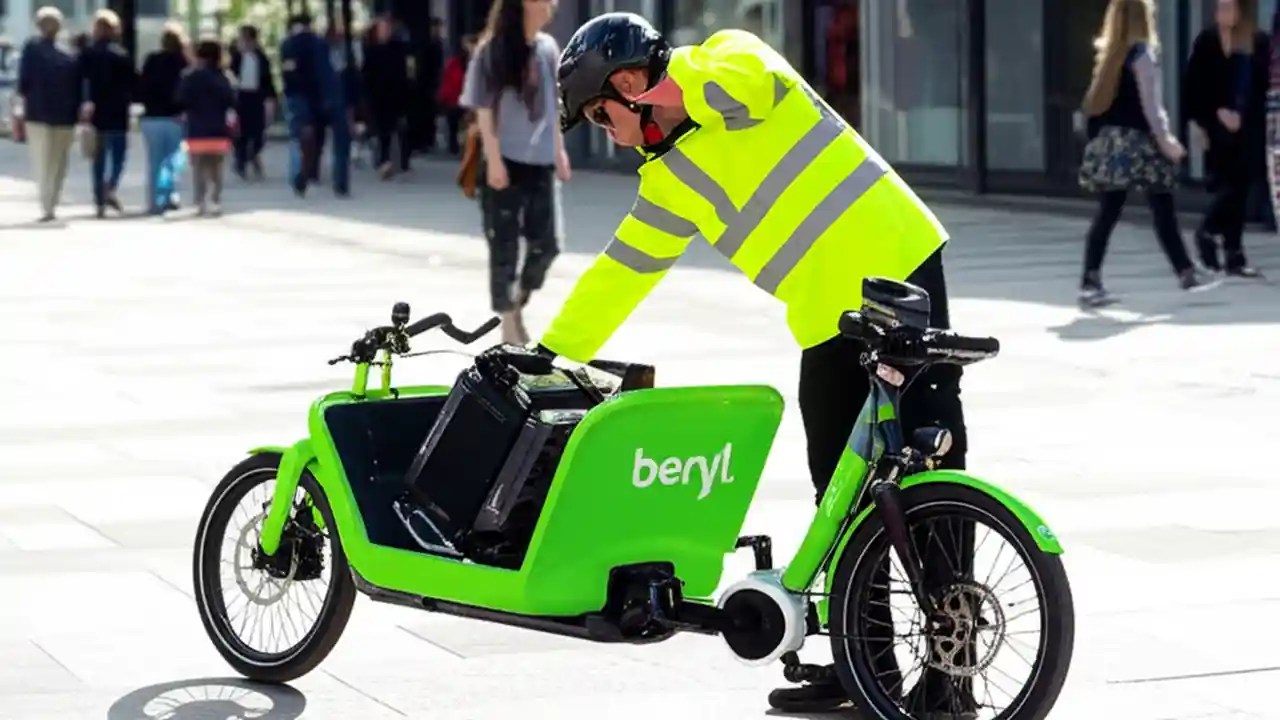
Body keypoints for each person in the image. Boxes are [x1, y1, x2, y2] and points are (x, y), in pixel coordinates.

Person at [543, 13, 968, 714]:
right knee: (837, 488)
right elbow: (620, 273)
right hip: (827, 319)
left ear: (627, 84)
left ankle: (954, 677)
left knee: (931, 468)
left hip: (900, 271)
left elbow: (751, 86)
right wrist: (550, 353)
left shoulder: (727, 60)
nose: (605, 130)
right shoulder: (669, 178)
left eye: (599, 112)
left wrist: (669, 86)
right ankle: (868, 664)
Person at [1077, 0, 1212, 307]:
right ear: (1144, 17)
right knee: (1162, 207)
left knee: (1108, 213)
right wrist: (1168, 143)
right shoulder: (1143, 55)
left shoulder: (1110, 56)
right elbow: (1152, 109)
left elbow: (1094, 108)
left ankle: (1090, 280)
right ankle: (1186, 273)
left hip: (1112, 145)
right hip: (1140, 144)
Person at [460, 0, 572, 345]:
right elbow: (483, 109)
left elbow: (554, 108)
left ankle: (517, 301)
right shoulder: (491, 51)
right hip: (504, 161)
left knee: (548, 245)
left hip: (540, 161)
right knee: (504, 247)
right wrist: (493, 160)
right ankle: (508, 323)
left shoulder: (547, 48)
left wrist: (559, 151)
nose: (551, 5)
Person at [1184, 0, 1267, 277]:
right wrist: (1209, 117)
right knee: (1229, 186)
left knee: (1240, 189)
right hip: (1216, 126)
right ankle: (1209, 233)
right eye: (1220, 8)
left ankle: (1232, 253)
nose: (1223, 14)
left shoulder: (1257, 41)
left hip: (1248, 127)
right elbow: (1194, 85)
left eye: (1229, 8)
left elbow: (1262, 84)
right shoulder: (1207, 41)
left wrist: (1242, 113)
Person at [16, 6, 82, 223]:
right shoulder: (70, 54)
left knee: (42, 160)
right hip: (64, 115)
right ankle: (52, 201)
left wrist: (20, 105)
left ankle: (47, 204)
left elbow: (23, 83)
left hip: (38, 114)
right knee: (59, 162)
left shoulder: (31, 49)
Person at [78, 9, 136, 218]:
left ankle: (99, 200)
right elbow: (131, 84)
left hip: (96, 112)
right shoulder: (121, 54)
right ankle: (110, 187)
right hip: (118, 111)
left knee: (98, 158)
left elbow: (80, 81)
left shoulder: (87, 53)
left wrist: (83, 104)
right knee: (119, 155)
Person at [176, 39, 236, 216]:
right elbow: (231, 101)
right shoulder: (225, 78)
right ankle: (215, 199)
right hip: (219, 129)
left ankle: (201, 201)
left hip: (196, 129)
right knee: (216, 168)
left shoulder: (190, 77)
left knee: (199, 167)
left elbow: (180, 100)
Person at [138, 23, 190, 214]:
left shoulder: (151, 60)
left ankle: (154, 201)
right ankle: (169, 195)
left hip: (151, 118)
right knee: (173, 161)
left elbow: (141, 87)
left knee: (154, 161)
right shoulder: (183, 63)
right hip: (174, 118)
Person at [279, 13, 333, 196]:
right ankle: (312, 171)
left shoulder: (288, 45)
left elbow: (288, 73)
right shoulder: (320, 44)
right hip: (318, 96)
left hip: (296, 95)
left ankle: (297, 173)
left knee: (297, 136)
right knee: (317, 136)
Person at [362, 14, 413, 178]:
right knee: (383, 130)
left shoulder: (399, 48)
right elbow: (366, 74)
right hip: (379, 96)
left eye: (387, 29)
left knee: (401, 128)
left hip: (398, 93)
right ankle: (384, 160)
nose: (385, 32)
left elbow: (406, 71)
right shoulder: (370, 49)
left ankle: (404, 161)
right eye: (381, 29)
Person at [229, 24, 279, 181]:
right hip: (241, 96)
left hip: (257, 97)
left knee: (258, 131)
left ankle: (253, 154)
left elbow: (268, 80)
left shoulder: (261, 58)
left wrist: (271, 98)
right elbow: (230, 77)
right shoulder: (236, 58)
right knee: (241, 132)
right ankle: (241, 162)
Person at [438, 34, 476, 155]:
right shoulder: (455, 62)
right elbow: (448, 80)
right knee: (454, 124)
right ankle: (455, 146)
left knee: (466, 124)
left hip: (469, 98)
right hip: (455, 98)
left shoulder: (478, 60)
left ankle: (464, 147)